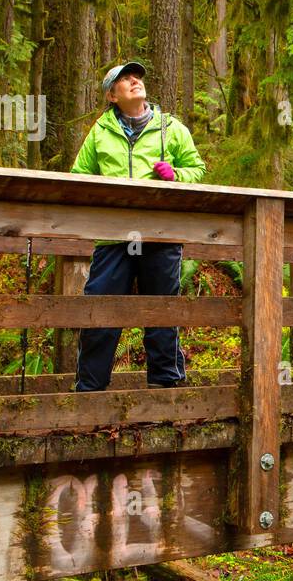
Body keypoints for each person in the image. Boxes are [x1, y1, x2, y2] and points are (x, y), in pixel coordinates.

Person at [68, 62, 206, 390]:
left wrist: (177, 175)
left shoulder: (171, 128)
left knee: (161, 314)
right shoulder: (99, 132)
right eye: (124, 79)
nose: (134, 81)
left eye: (137, 76)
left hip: (161, 233)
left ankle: (166, 389)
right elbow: (78, 178)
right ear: (112, 95)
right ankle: (89, 391)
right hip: (114, 237)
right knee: (101, 312)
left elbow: (197, 169)